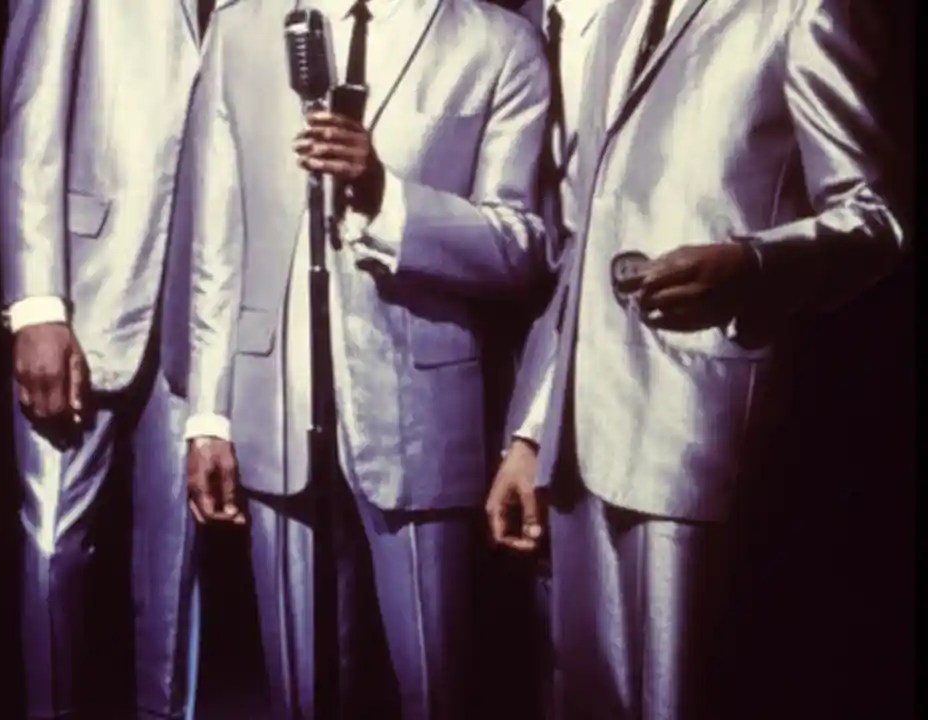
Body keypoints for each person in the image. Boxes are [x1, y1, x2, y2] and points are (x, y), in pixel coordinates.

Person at [487, 1, 905, 718]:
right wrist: (531, 432)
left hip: (700, 434)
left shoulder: (806, 10)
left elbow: (875, 217)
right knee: (577, 696)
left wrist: (753, 265)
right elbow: (584, 239)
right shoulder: (617, 14)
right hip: (579, 443)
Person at [185, 0, 550, 716]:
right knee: (301, 691)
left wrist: (386, 197)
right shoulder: (241, 30)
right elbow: (215, 241)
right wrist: (208, 413)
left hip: (420, 413)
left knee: (437, 691)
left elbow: (524, 246)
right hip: (273, 411)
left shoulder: (499, 43)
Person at [0, 0, 217, 717]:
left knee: (183, 560)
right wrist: (37, 304)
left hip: (200, 307)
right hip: (84, 296)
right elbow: (31, 112)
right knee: (55, 550)